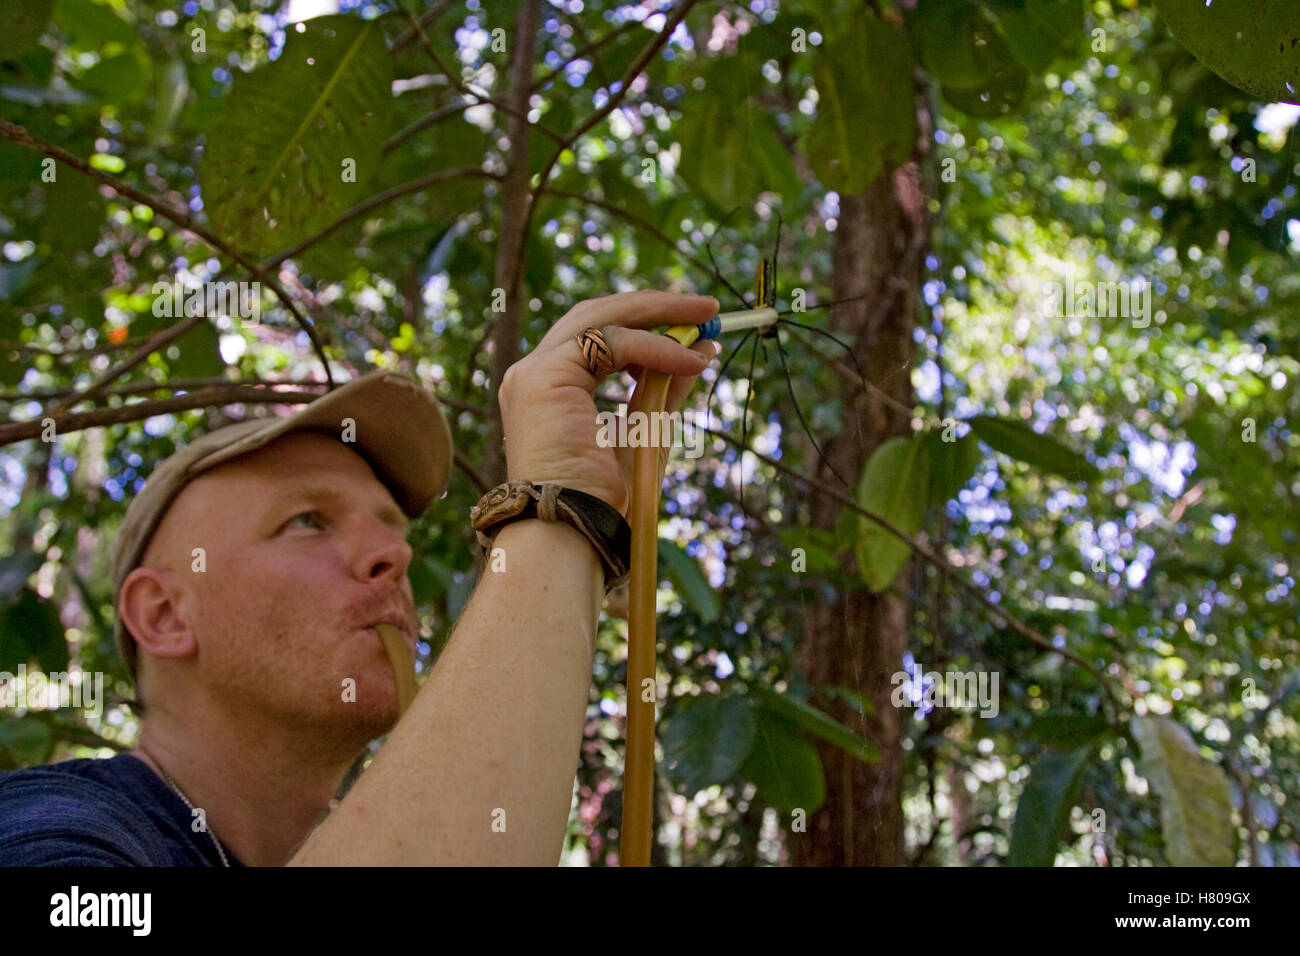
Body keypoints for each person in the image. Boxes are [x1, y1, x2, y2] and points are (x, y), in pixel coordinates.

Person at [0, 290, 720, 866]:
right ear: (162, 614)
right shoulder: (54, 828)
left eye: (393, 530)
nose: (394, 558)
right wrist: (558, 508)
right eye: (307, 521)